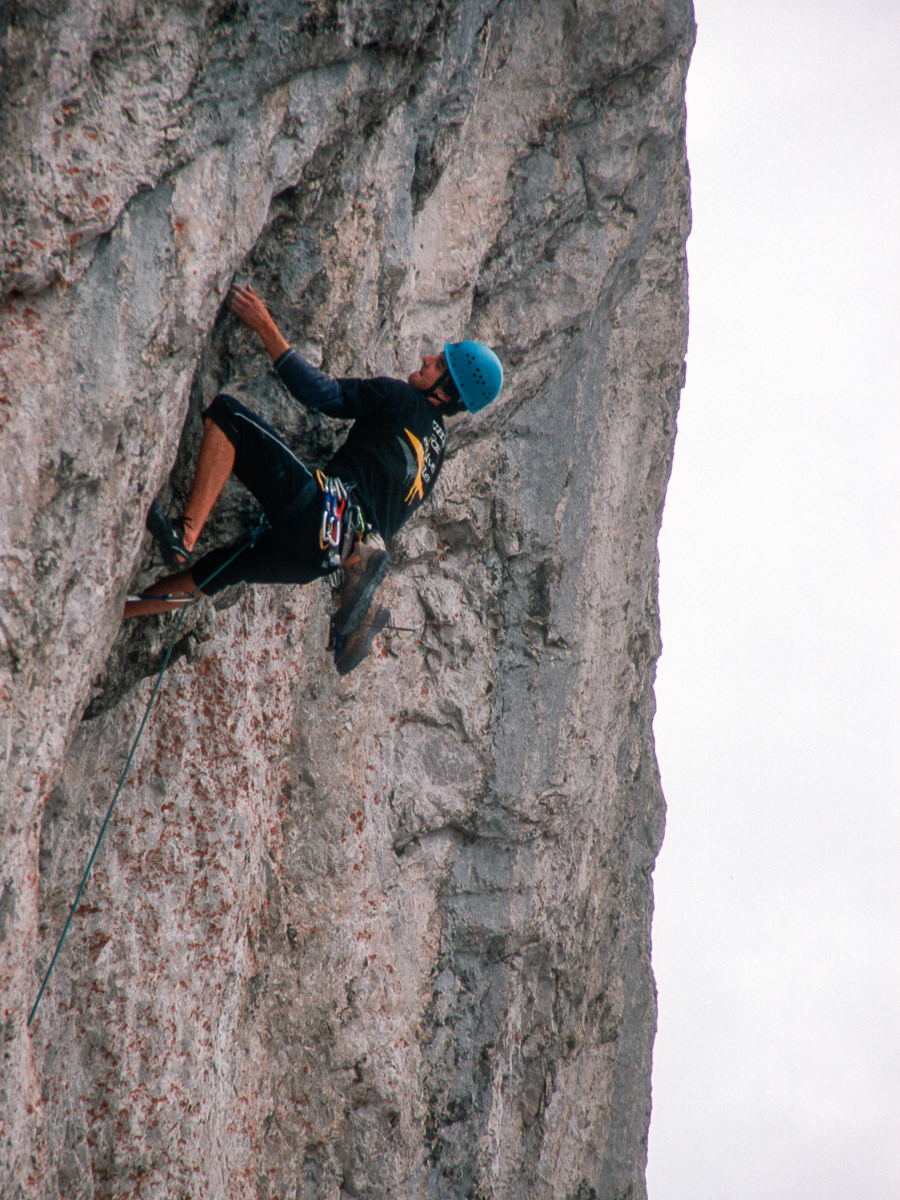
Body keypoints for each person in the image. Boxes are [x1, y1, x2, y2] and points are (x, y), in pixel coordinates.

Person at [124, 283, 504, 676]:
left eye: (439, 365)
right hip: (318, 560)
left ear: (444, 395)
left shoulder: (402, 399)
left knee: (228, 416)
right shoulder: (434, 463)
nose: (427, 358)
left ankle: (184, 535)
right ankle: (123, 609)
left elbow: (322, 395)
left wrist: (265, 326)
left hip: (324, 512)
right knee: (220, 571)